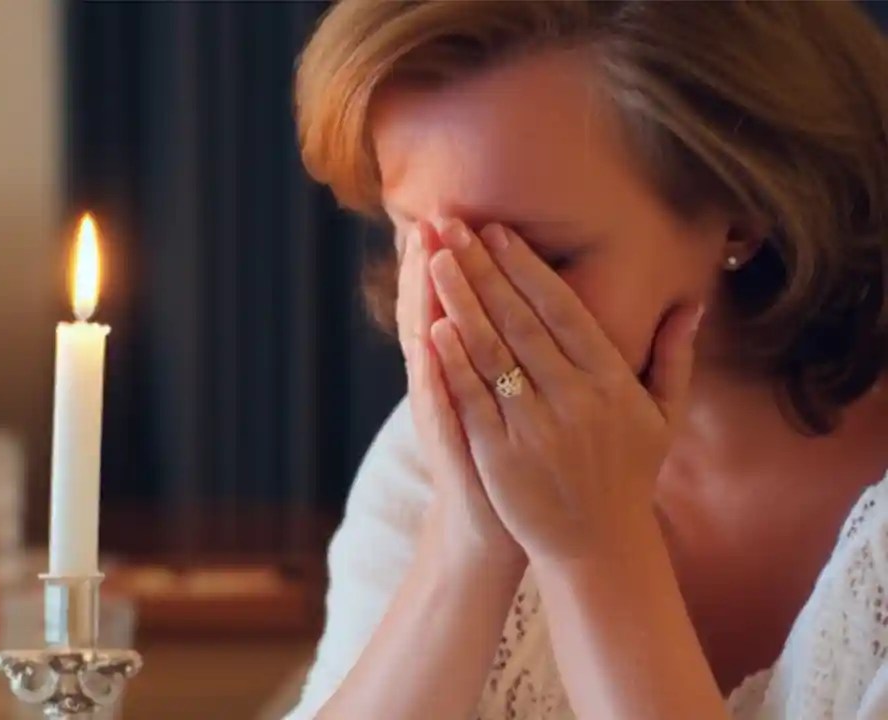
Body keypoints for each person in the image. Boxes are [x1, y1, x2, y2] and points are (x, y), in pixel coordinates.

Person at [285, 2, 888, 718]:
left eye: (538, 256)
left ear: (745, 214)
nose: (458, 314)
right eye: (416, 240)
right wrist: (469, 541)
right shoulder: (430, 456)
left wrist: (597, 553)